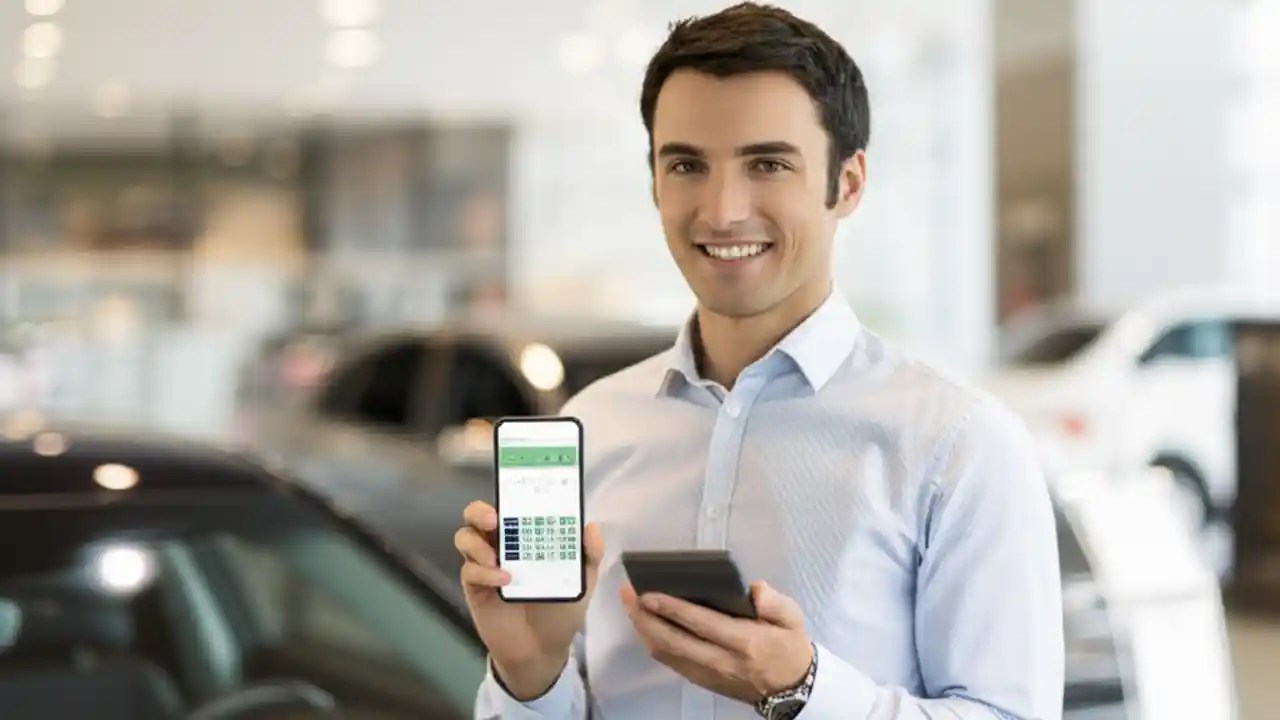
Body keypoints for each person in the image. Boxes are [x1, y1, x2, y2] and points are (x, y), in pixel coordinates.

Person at [454, 3, 1064, 719]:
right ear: (654, 184)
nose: (721, 211)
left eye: (767, 164)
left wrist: (803, 689)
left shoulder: (956, 445)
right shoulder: (595, 427)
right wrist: (529, 673)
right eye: (687, 165)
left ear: (848, 184)